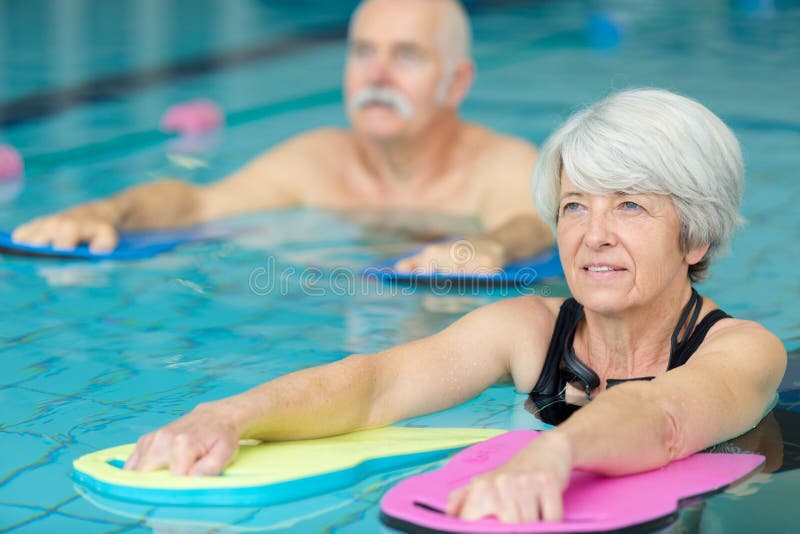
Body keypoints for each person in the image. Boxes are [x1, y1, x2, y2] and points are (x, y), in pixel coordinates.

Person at [123, 89, 786, 523]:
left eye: (631, 206)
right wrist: (226, 416)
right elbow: (374, 385)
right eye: (576, 206)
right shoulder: (528, 331)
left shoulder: (744, 351)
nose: (594, 234)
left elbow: (660, 415)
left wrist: (553, 454)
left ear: (695, 235)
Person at [11, 0, 553, 274]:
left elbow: (532, 224)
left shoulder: (499, 164)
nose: (377, 75)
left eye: (406, 55)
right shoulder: (316, 161)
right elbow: (197, 202)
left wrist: (488, 245)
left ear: (456, 82)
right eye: (363, 52)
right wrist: (106, 213)